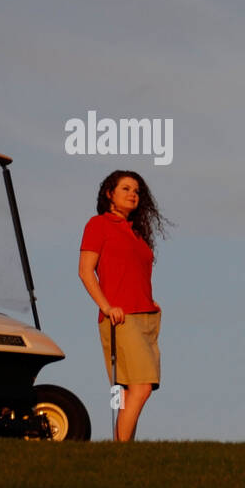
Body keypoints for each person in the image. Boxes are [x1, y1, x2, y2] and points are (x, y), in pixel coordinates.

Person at [78, 170, 171, 441]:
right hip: (121, 316)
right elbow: (85, 271)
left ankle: (123, 450)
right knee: (139, 387)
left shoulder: (137, 234)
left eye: (137, 191)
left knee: (138, 389)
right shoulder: (98, 225)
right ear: (110, 193)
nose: (133, 195)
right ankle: (121, 449)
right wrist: (107, 307)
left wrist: (151, 302)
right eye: (126, 189)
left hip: (147, 317)